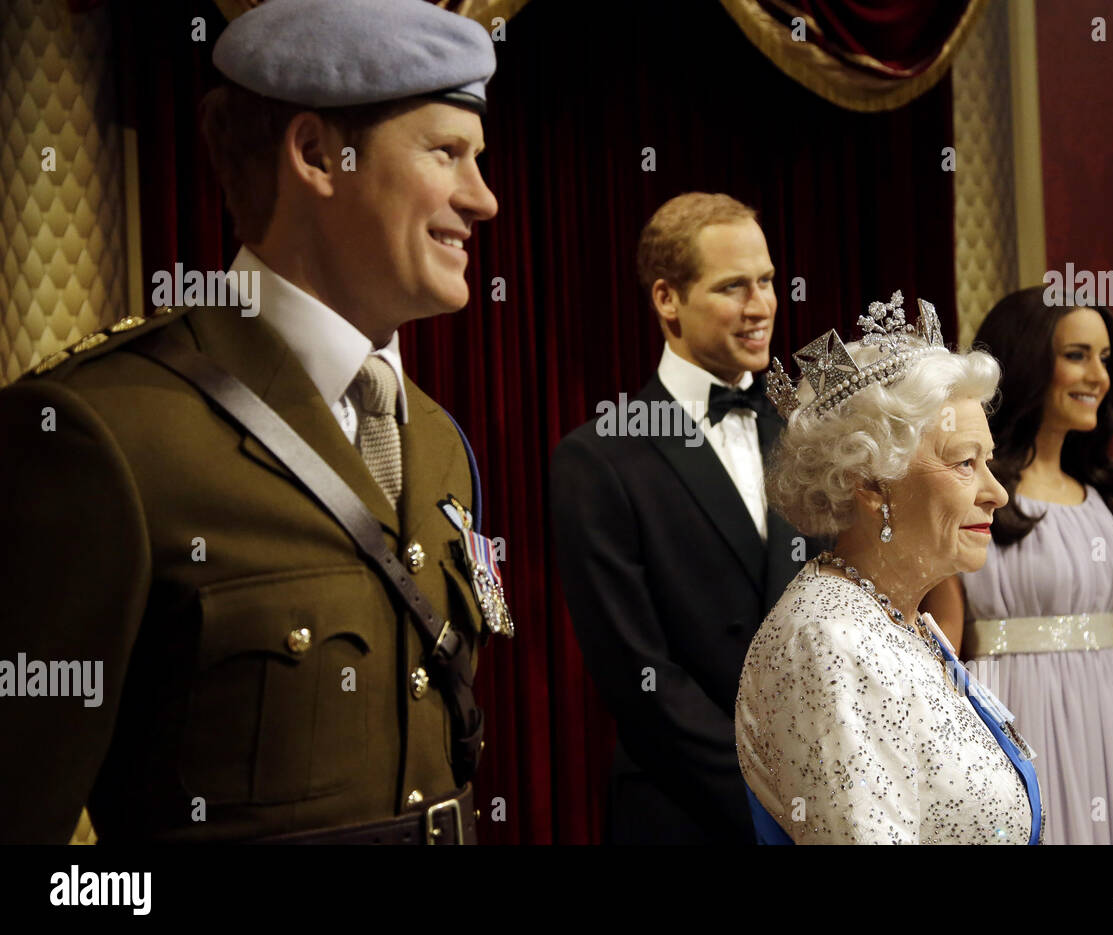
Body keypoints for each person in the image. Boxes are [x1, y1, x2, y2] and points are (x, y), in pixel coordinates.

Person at [0, 0, 508, 844]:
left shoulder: (435, 438)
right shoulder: (104, 433)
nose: (483, 199)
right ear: (315, 155)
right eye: (445, 153)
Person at [737, 292, 1043, 844]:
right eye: (964, 463)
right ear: (871, 482)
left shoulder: (903, 621)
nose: (996, 493)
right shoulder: (827, 640)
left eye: (988, 462)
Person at [550, 193, 808, 843]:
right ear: (668, 299)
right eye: (733, 287)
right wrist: (768, 804)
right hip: (684, 813)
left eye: (768, 281)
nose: (761, 305)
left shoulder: (808, 438)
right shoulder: (599, 458)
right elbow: (641, 680)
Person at [923, 286, 1113, 844]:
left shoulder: (1099, 501)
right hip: (1017, 734)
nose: (1099, 376)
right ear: (1026, 358)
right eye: (1077, 355)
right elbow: (943, 651)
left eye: (1105, 359)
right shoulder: (975, 495)